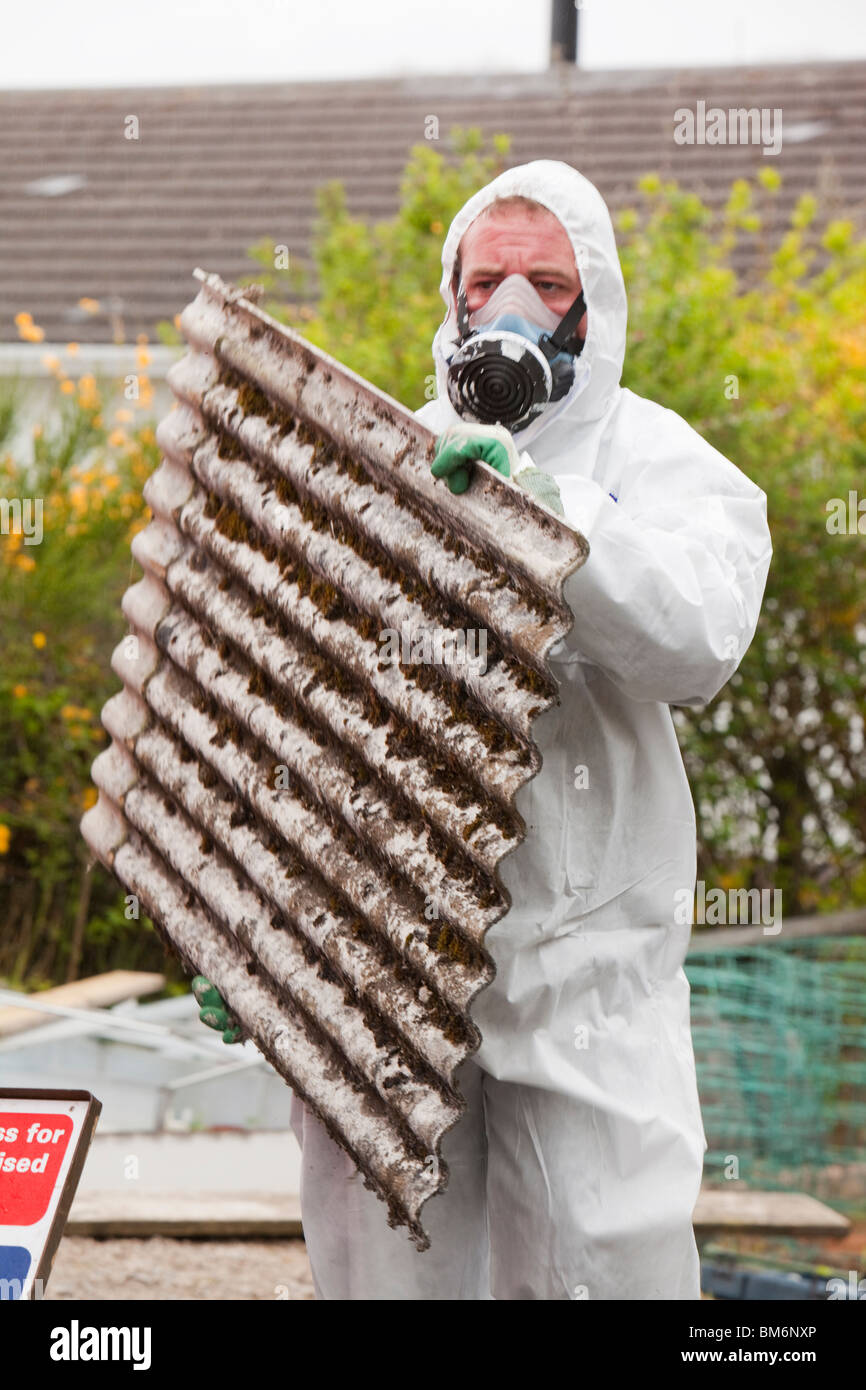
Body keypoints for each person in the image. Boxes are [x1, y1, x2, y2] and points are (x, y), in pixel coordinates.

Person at [203, 160, 773, 1300]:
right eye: (488, 281)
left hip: (584, 973)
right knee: (386, 1272)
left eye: (546, 284)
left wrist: (551, 522)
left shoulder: (660, 467)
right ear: (450, 297)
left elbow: (698, 638)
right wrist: (253, 923)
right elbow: (307, 719)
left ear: (592, 306)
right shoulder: (373, 461)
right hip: (387, 973)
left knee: (604, 1266)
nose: (511, 310)